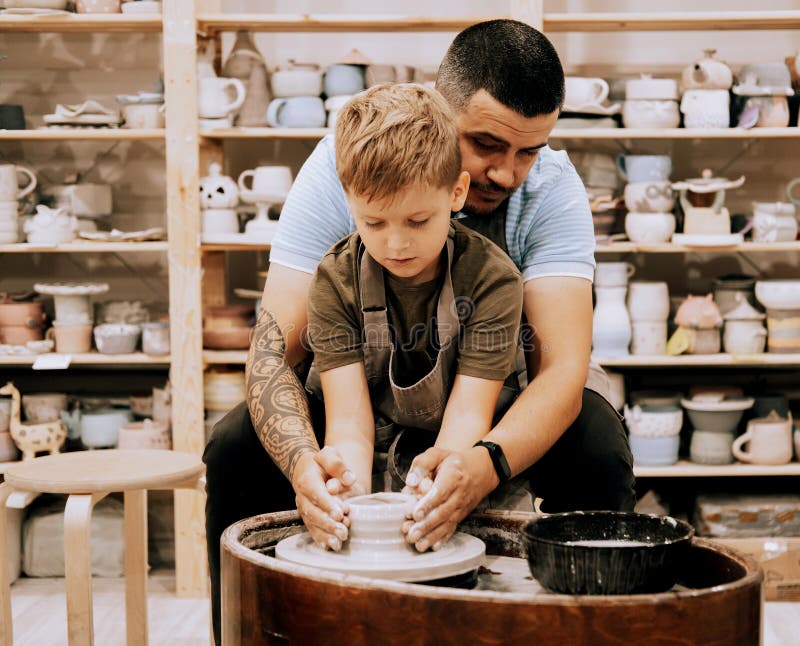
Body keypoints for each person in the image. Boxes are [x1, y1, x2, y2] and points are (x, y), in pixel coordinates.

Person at [204, 19, 635, 644]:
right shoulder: (347, 167)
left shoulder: (549, 195)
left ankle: (585, 629)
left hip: (497, 389)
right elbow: (274, 351)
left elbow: (563, 369)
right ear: (441, 110)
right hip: (361, 381)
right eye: (487, 143)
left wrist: (480, 466)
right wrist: (307, 468)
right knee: (235, 444)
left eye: (529, 150)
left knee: (597, 440)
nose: (508, 173)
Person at [306, 83, 523, 538]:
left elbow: (468, 417)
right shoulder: (335, 280)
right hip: (379, 431)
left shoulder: (492, 279)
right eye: (374, 222)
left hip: (463, 439)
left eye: (418, 221)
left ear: (457, 192)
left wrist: (434, 496)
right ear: (350, 202)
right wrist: (345, 494)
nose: (396, 243)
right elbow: (348, 421)